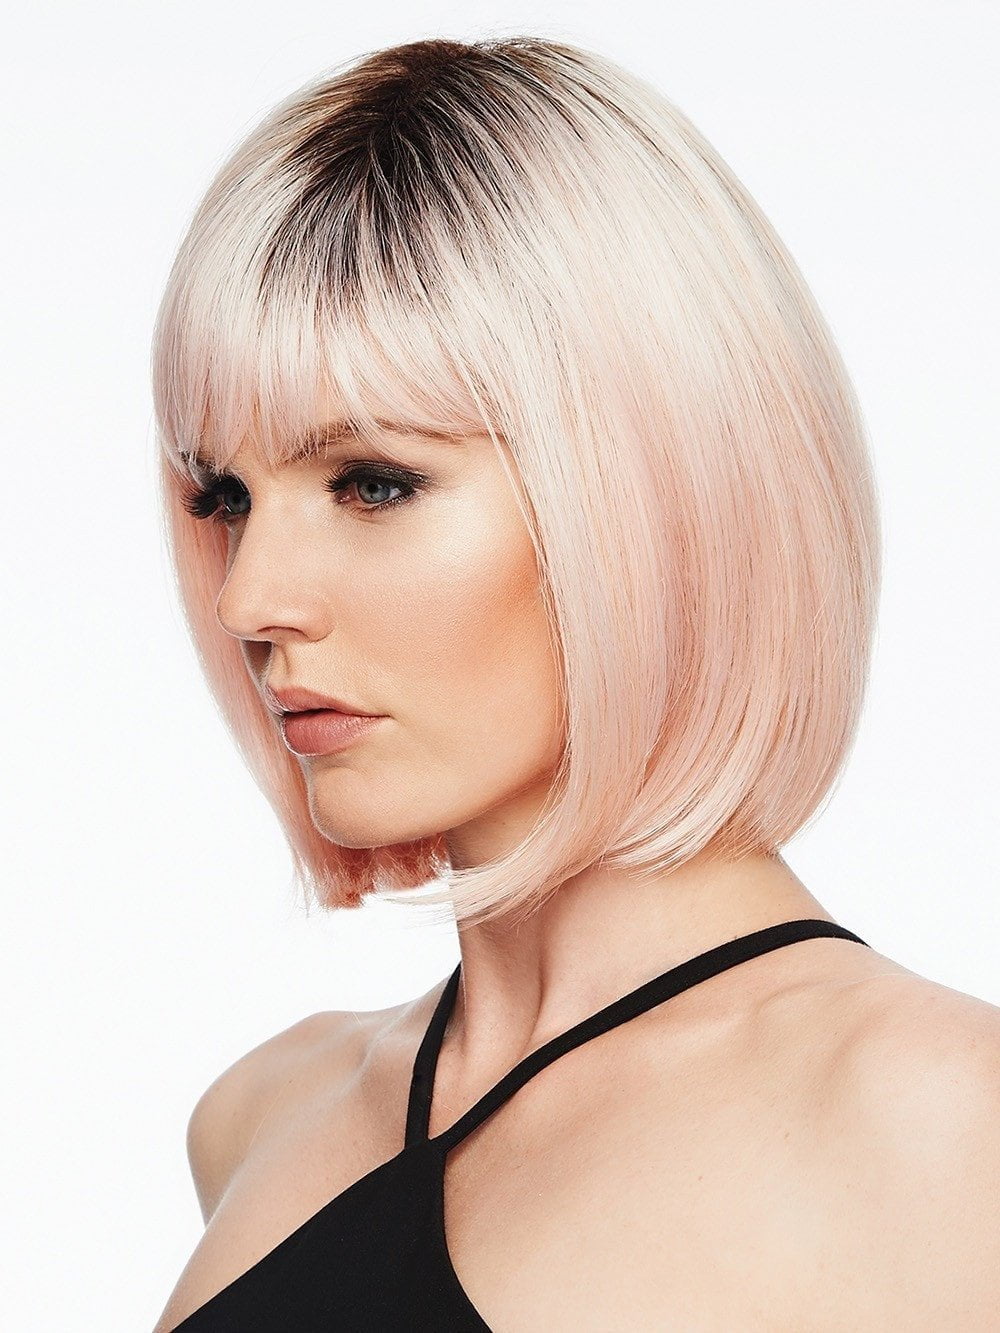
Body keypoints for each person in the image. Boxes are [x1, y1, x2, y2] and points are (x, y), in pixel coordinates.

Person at [150, 34, 999, 1332]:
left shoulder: (937, 1124)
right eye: (226, 496)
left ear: (649, 496)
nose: (248, 600)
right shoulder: (269, 1113)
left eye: (372, 482)